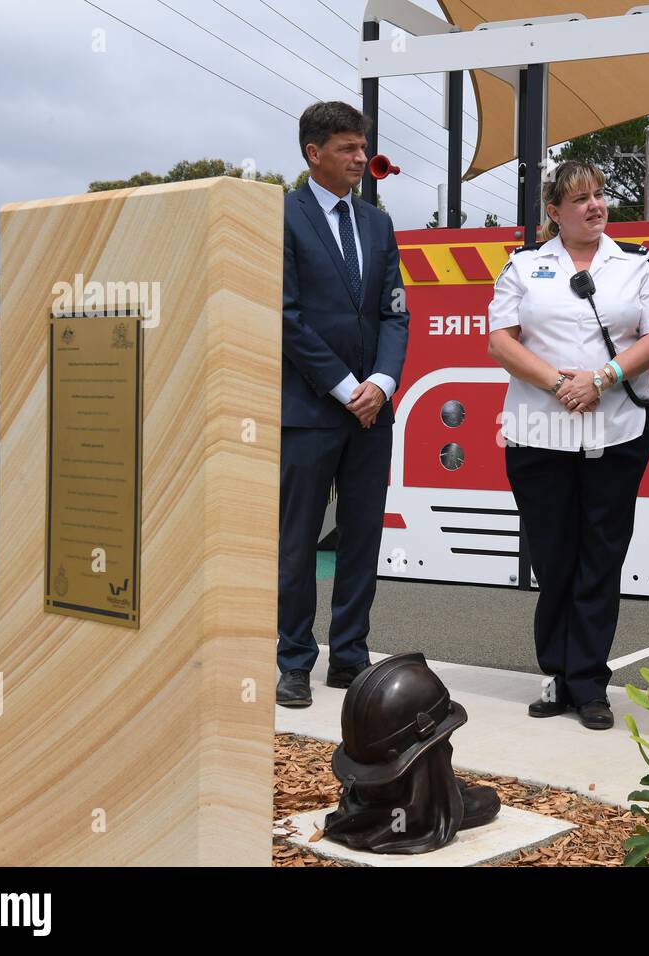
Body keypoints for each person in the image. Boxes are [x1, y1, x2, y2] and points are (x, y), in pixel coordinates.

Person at [487, 160, 649, 730]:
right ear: (553, 212)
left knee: (601, 557)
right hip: (539, 435)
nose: (595, 206)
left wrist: (601, 380)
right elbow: (500, 340)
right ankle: (556, 676)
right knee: (553, 557)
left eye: (599, 195)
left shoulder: (637, 264)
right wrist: (559, 385)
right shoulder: (523, 265)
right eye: (580, 199)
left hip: (614, 432)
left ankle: (589, 682)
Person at [275, 101, 409, 708]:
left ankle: (349, 656)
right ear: (314, 153)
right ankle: (295, 660)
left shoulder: (378, 224)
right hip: (308, 410)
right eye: (349, 149)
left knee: (361, 537)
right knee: (299, 541)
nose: (361, 158)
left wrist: (379, 383)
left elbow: (393, 313)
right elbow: (286, 317)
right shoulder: (282, 215)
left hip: (372, 412)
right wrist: (342, 387)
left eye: (363, 147)